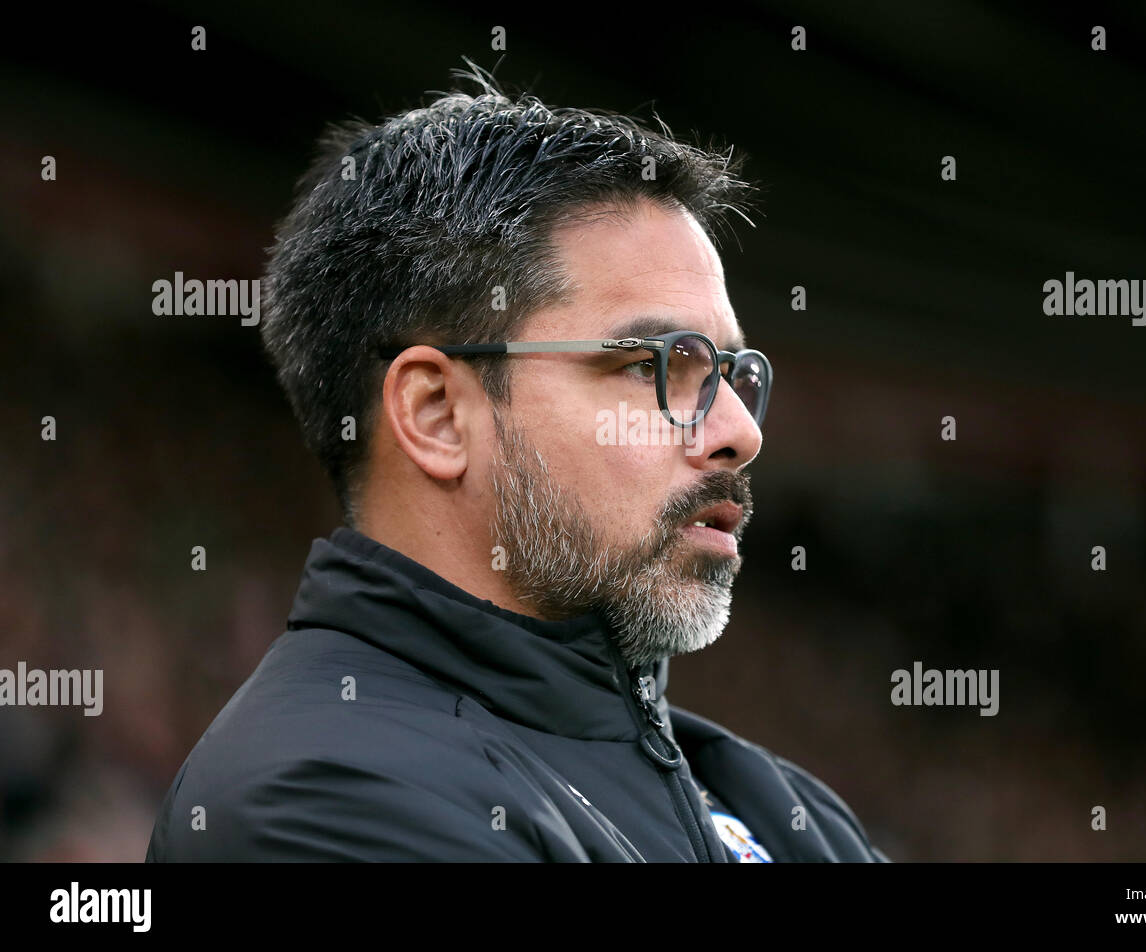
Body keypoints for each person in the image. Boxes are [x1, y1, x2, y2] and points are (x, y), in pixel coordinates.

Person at [146, 64, 888, 862]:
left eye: (731, 375)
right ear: (437, 415)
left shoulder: (781, 812)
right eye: (649, 365)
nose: (740, 431)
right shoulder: (317, 800)